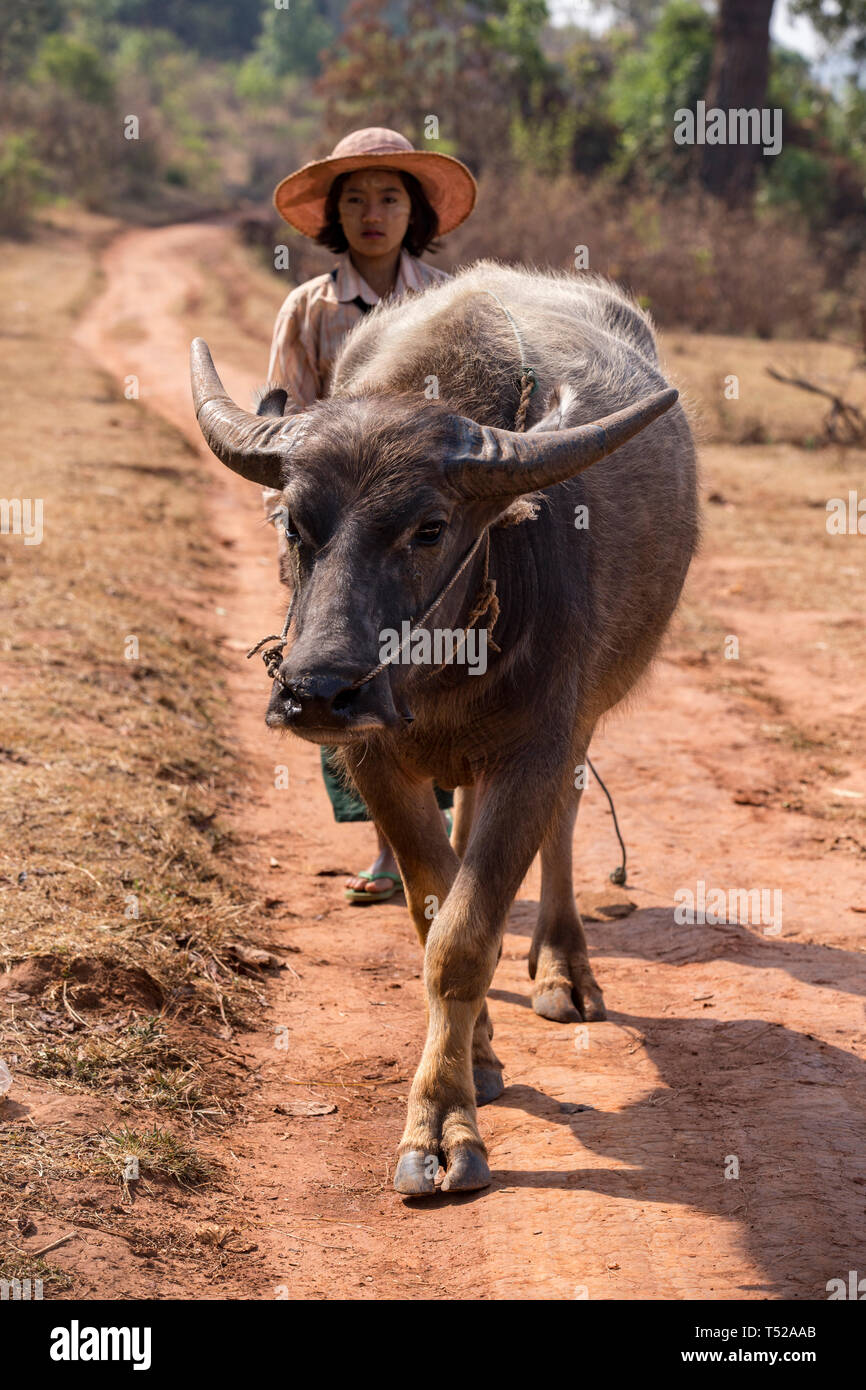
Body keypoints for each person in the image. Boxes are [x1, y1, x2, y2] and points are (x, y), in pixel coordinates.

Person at [265, 127, 478, 903]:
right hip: (329, 530)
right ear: (335, 215)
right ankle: (393, 852)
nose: (372, 213)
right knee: (334, 671)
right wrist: (291, 527)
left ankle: (444, 843)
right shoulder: (310, 307)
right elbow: (281, 422)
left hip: (419, 534)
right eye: (354, 199)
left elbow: (469, 427)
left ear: (413, 210)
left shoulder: (450, 302)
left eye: (389, 197)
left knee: (432, 677)